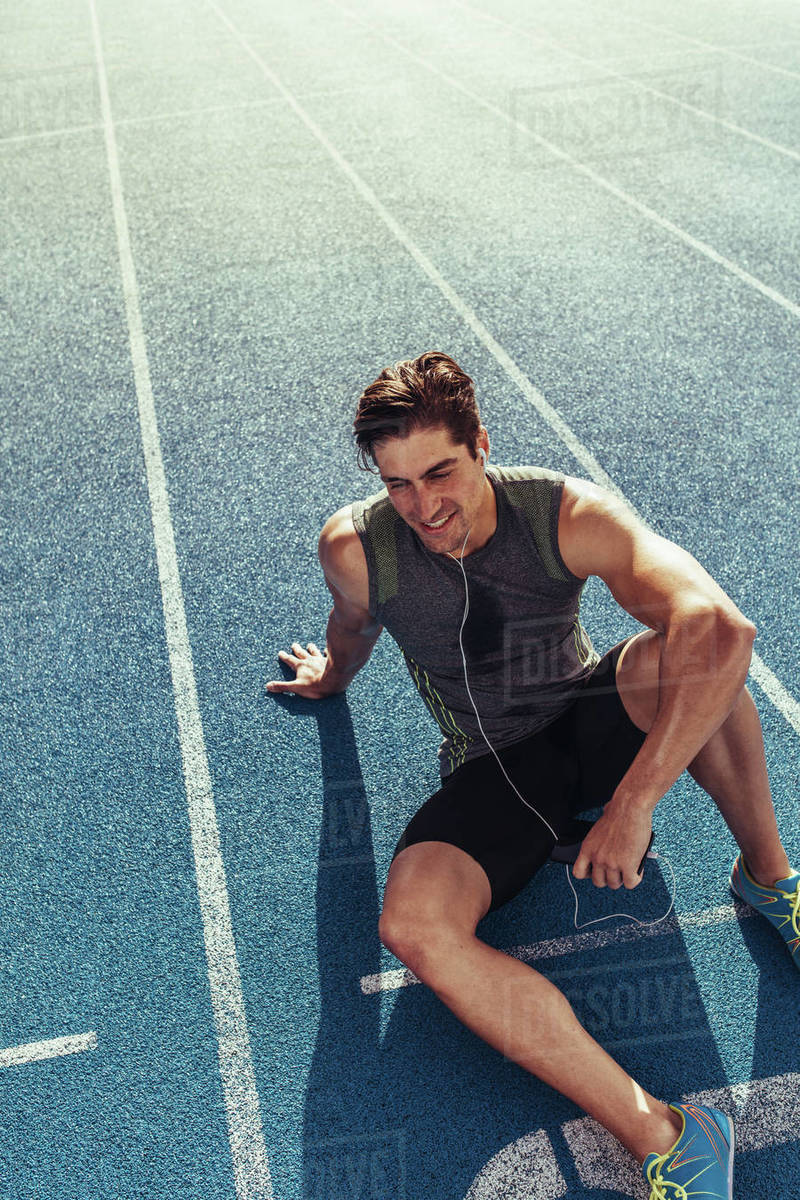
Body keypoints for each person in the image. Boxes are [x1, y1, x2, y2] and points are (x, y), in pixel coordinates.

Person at [267, 351, 798, 1196]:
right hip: (493, 771)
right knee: (413, 928)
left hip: (591, 716)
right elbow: (354, 626)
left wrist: (634, 804)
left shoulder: (563, 513)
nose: (423, 505)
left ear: (481, 443)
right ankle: (673, 1138)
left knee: (702, 655)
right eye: (398, 483)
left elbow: (725, 629)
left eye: (439, 471)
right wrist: (331, 675)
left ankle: (771, 880)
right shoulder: (359, 548)